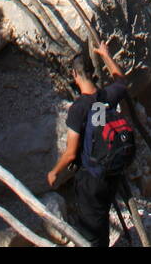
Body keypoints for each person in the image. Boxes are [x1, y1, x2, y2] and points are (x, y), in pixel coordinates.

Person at [47, 42, 135, 248]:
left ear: (74, 75)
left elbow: (70, 154)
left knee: (91, 232)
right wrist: (106, 55)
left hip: (92, 177)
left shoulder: (79, 109)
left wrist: (54, 172)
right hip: (112, 172)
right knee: (101, 216)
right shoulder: (107, 97)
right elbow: (122, 80)